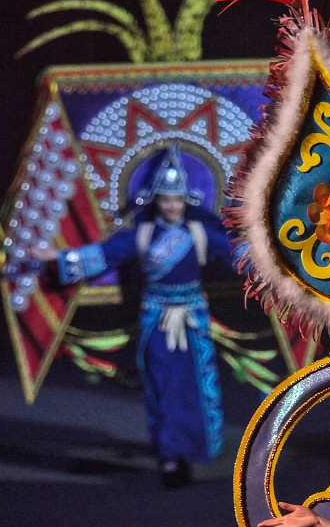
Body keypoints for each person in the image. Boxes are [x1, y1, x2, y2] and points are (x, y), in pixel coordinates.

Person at [47, 146, 236, 487]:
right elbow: (102, 255)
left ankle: (196, 449)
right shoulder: (143, 235)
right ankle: (169, 458)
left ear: (186, 200)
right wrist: (57, 259)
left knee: (194, 386)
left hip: (193, 322)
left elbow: (241, 257)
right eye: (165, 200)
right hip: (156, 322)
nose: (172, 206)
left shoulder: (199, 233)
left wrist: (279, 258)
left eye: (177, 200)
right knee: (162, 388)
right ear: (156, 200)